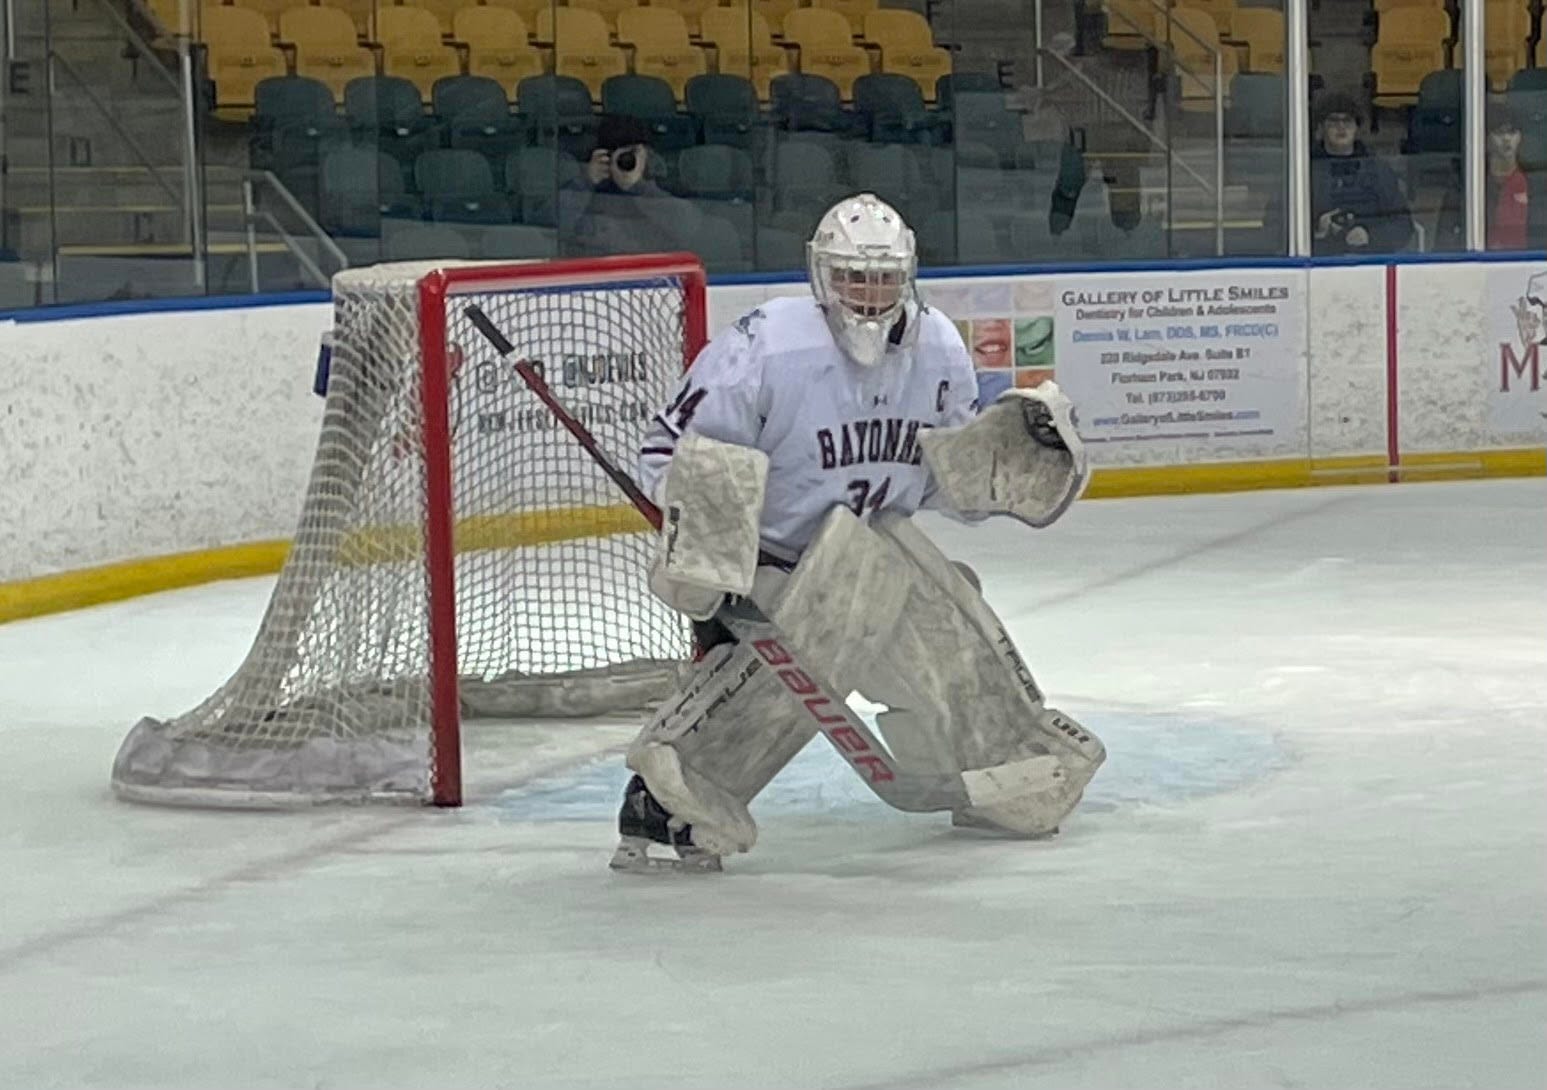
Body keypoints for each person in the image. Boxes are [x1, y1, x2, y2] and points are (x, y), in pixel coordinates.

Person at [610, 193, 1107, 873]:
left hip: (876, 542)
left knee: (953, 647)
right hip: (773, 559)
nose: (869, 296)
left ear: (907, 277)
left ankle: (985, 775)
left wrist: (999, 458)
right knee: (774, 688)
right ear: (821, 275)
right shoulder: (768, 343)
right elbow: (674, 451)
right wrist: (711, 551)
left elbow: (939, 479)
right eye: (852, 276)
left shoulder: (935, 346)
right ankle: (670, 800)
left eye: (882, 278)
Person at [559, 113, 699, 258]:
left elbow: (688, 227)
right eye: (616, 152)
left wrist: (639, 188)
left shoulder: (665, 185)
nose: (625, 159)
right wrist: (586, 181)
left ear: (645, 154)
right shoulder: (585, 193)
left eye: (632, 152)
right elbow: (553, 230)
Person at [1308, 92, 1414, 256]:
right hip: (1318, 263)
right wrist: (1317, 233)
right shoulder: (1303, 172)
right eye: (1333, 121)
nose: (1341, 127)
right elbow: (1276, 229)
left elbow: (1403, 226)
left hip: (1372, 262)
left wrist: (1370, 236)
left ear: (1356, 128)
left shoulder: (1378, 170)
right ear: (1321, 127)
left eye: (1348, 121)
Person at [1437, 103, 1534, 251]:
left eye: (1512, 132)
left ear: (1520, 137)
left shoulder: (1534, 182)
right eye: (1499, 133)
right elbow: (1445, 237)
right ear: (1486, 138)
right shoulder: (1467, 183)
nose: (1506, 139)